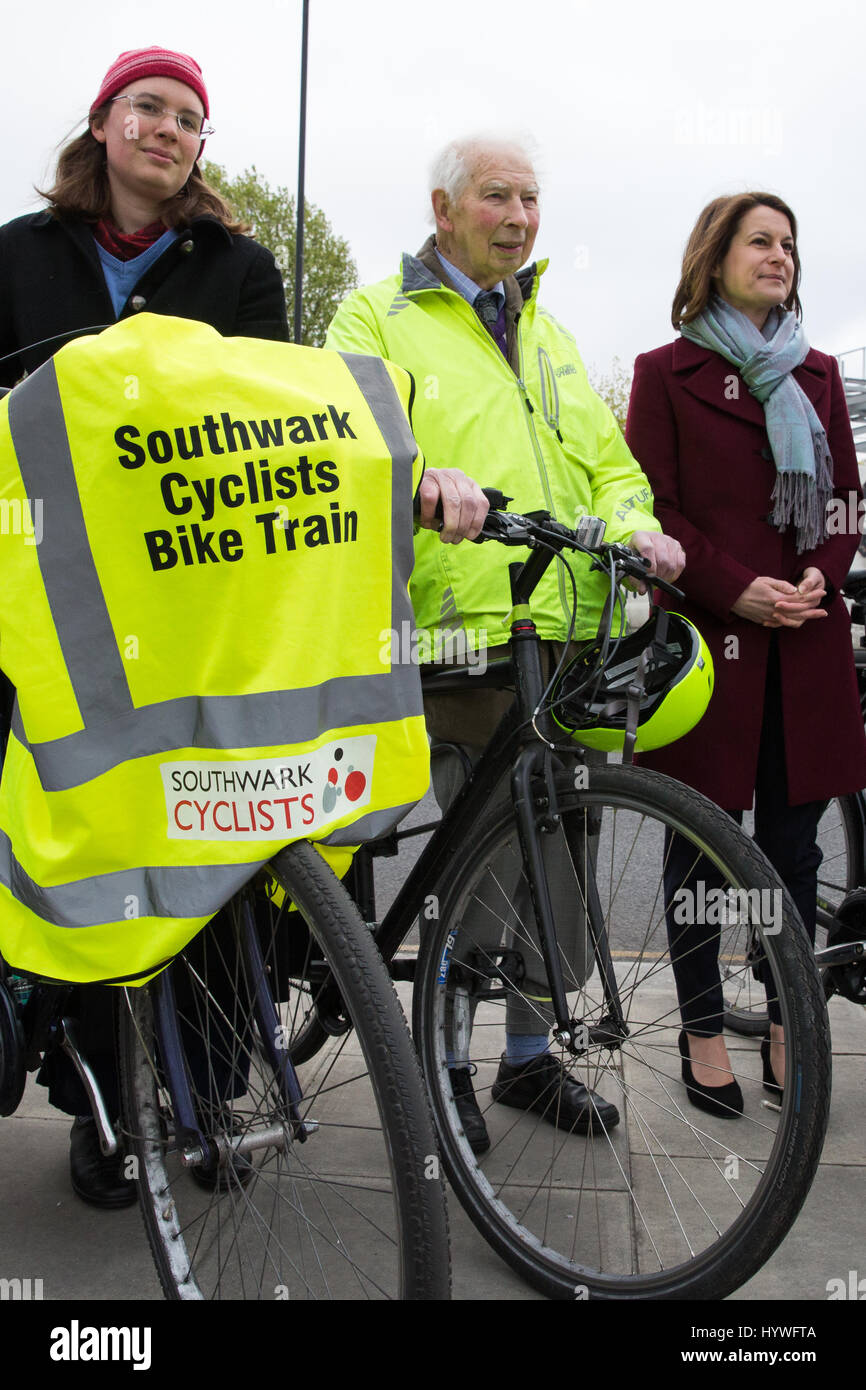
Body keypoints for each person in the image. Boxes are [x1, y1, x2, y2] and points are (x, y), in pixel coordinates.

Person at [0, 47, 485, 1208]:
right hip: (52, 590)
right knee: (81, 842)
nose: (167, 131)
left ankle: (207, 1082)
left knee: (212, 850)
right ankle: (98, 1100)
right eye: (148, 110)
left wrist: (398, 467)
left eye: (188, 119)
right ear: (104, 124)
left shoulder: (240, 264)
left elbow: (279, 408)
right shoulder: (17, 256)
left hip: (192, 604)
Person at [326, 135, 684, 1153]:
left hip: (566, 634)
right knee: (478, 870)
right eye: (496, 194)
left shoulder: (553, 335)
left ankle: (529, 1061)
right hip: (458, 630)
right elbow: (349, 436)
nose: (519, 214)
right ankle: (442, 1070)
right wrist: (423, 479)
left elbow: (608, 468)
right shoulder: (373, 315)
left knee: (561, 861)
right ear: (442, 207)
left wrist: (636, 525)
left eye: (530, 195)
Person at [626, 192, 866, 1116]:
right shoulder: (665, 372)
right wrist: (737, 589)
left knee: (793, 853)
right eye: (760, 242)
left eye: (790, 246)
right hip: (713, 647)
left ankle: (781, 1022)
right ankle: (696, 1031)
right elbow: (658, 508)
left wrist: (815, 578)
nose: (780, 256)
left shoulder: (815, 375)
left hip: (803, 647)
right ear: (715, 257)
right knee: (699, 849)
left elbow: (842, 498)